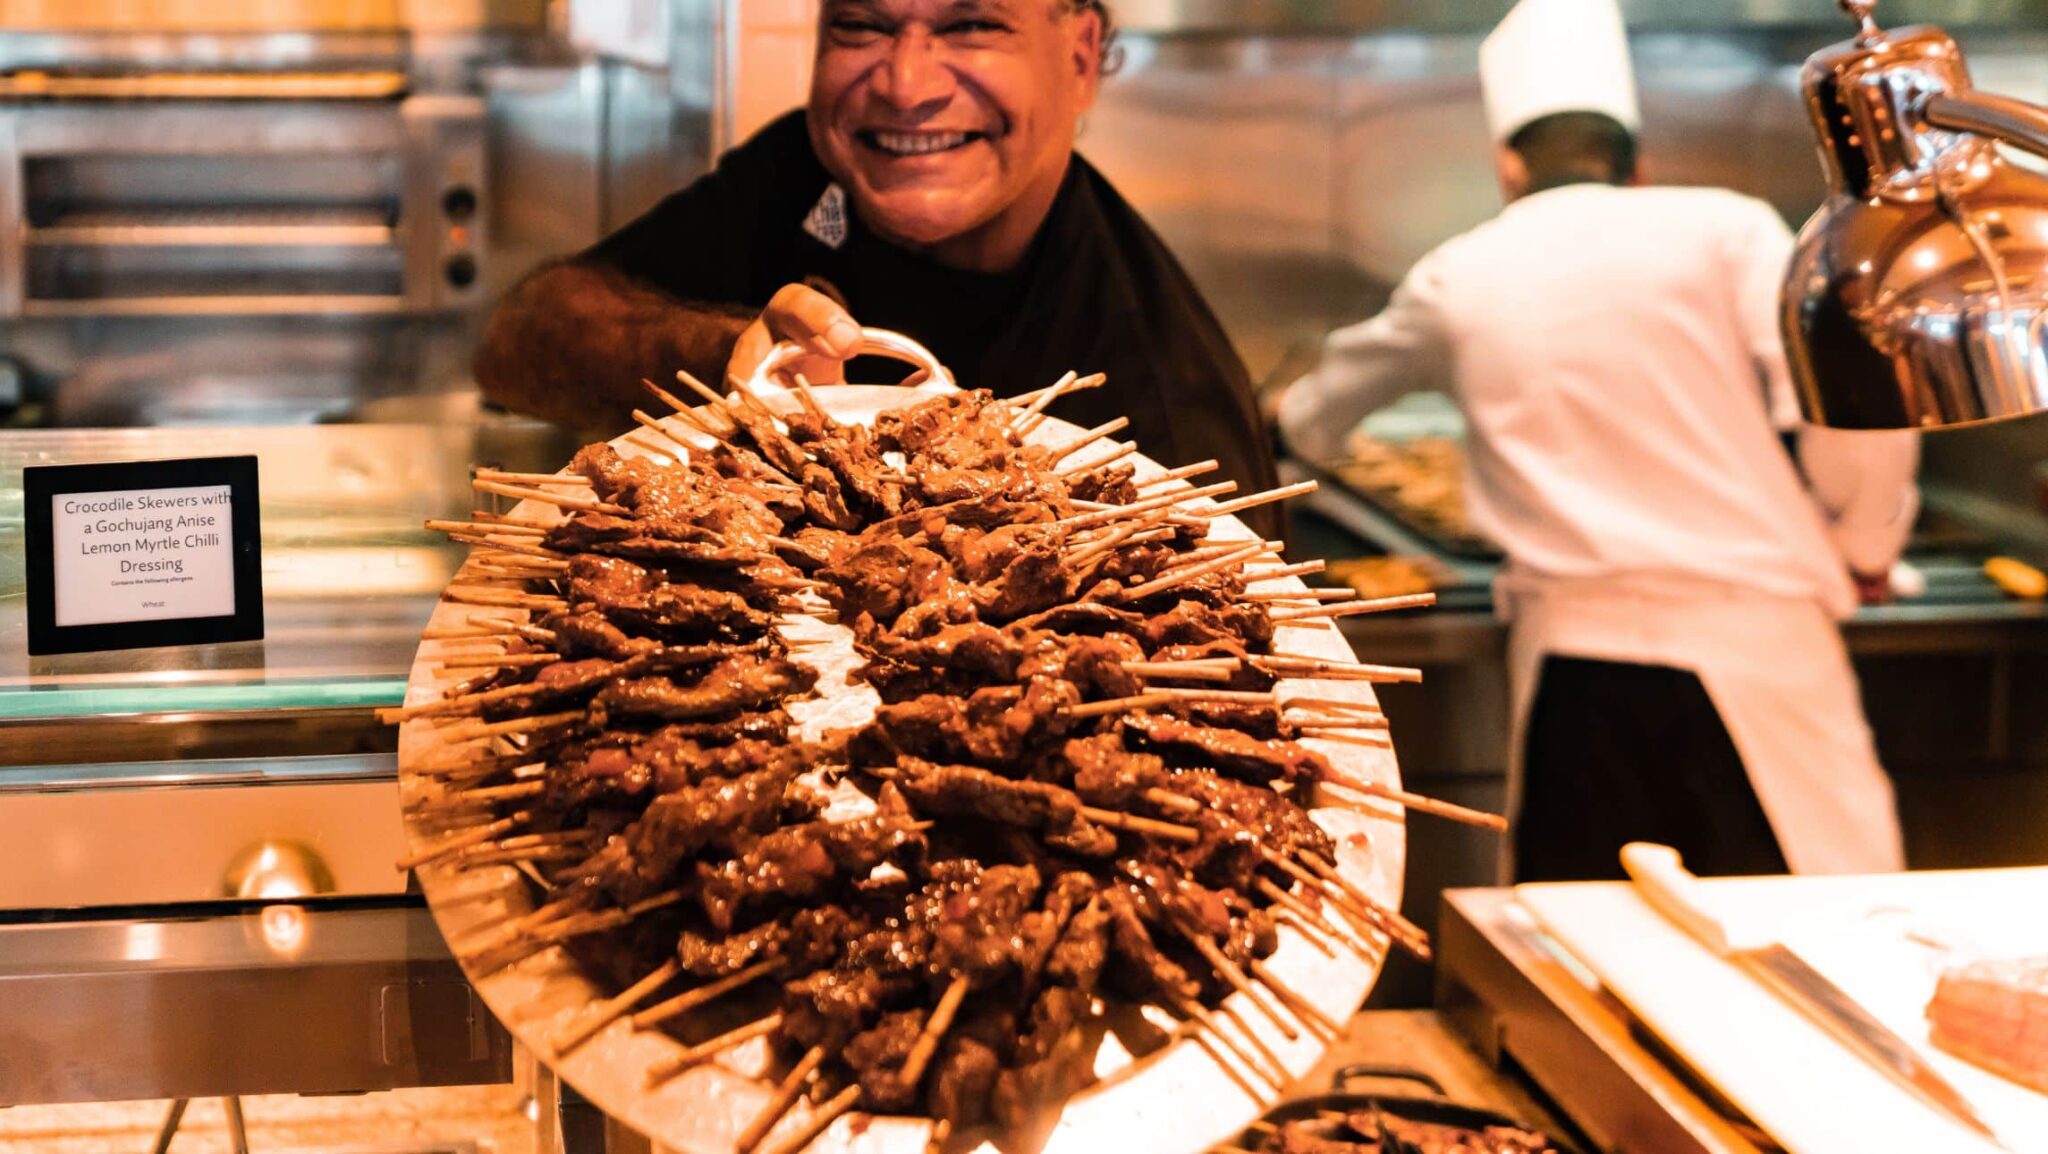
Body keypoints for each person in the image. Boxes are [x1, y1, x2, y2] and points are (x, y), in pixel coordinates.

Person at [1277, 0, 1920, 881]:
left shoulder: (1463, 268)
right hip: (1762, 649)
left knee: (1579, 976)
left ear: (1507, 165)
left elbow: (1315, 414)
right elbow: (1849, 401)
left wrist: (1283, 414)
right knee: (1816, 957)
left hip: (1577, 679)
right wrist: (1864, 541)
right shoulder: (1731, 229)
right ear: (1638, 165)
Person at [473, 0, 1278, 534]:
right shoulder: (813, 176)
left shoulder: (1163, 417)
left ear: (1079, 59)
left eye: (971, 24)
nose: (903, 86)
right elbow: (516, 344)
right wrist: (723, 357)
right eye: (861, 25)